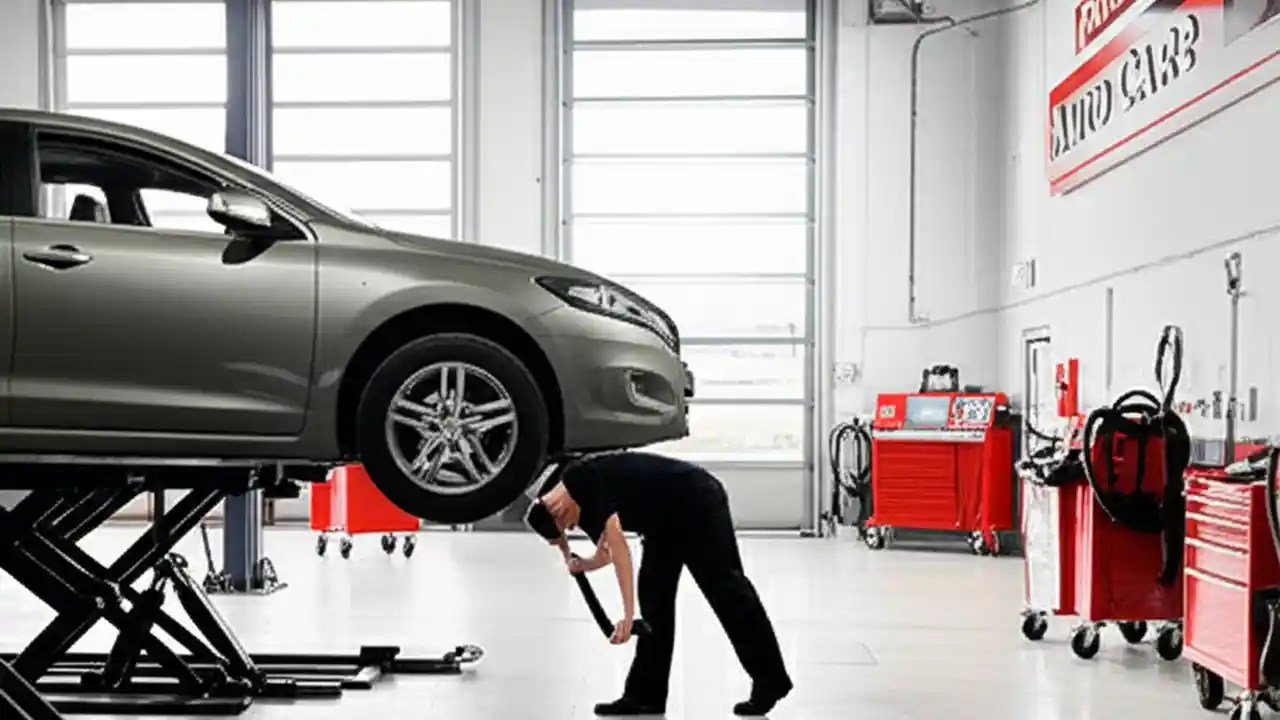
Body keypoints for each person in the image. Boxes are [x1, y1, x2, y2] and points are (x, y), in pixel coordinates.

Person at [525, 451, 793, 717]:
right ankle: (645, 696)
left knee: (727, 592)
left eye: (568, 525)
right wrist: (581, 563)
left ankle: (771, 681)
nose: (573, 529)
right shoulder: (567, 504)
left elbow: (620, 551)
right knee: (654, 600)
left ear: (559, 511)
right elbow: (603, 553)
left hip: (697, 501)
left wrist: (628, 617)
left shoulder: (583, 482)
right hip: (662, 520)